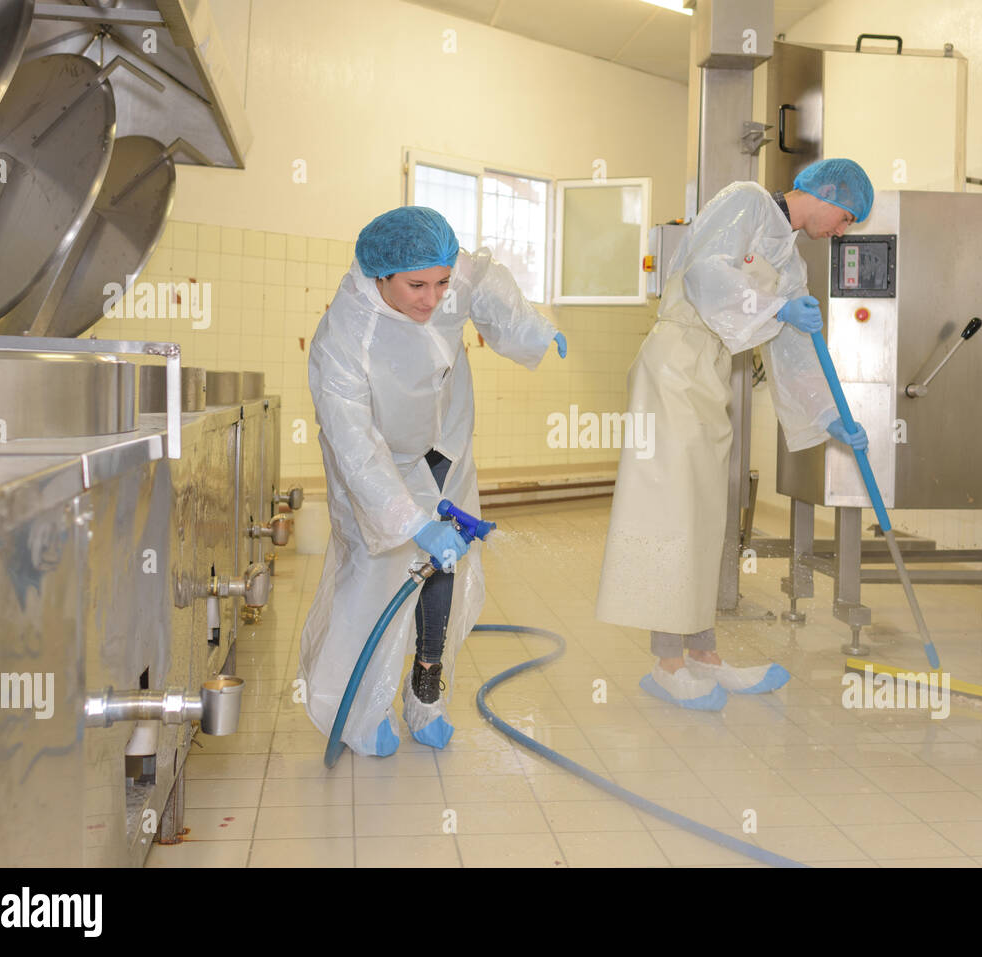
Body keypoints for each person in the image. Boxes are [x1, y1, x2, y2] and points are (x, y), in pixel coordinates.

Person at [595, 158, 874, 710]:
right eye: (844, 218)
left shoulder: (790, 263)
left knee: (704, 518)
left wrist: (827, 415)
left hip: (709, 375)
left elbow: (793, 351)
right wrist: (776, 306)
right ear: (822, 191)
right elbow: (704, 274)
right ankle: (666, 662)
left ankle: (703, 654)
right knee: (670, 515)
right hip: (673, 364)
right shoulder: (744, 200)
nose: (841, 232)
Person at [299, 207, 565, 755]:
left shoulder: (448, 277)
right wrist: (409, 520)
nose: (432, 297)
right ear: (380, 276)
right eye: (416, 285)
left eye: (442, 282)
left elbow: (486, 286)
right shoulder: (345, 336)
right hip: (381, 465)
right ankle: (360, 709)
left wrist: (533, 331)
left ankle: (425, 691)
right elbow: (356, 447)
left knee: (442, 568)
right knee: (373, 582)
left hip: (445, 442)